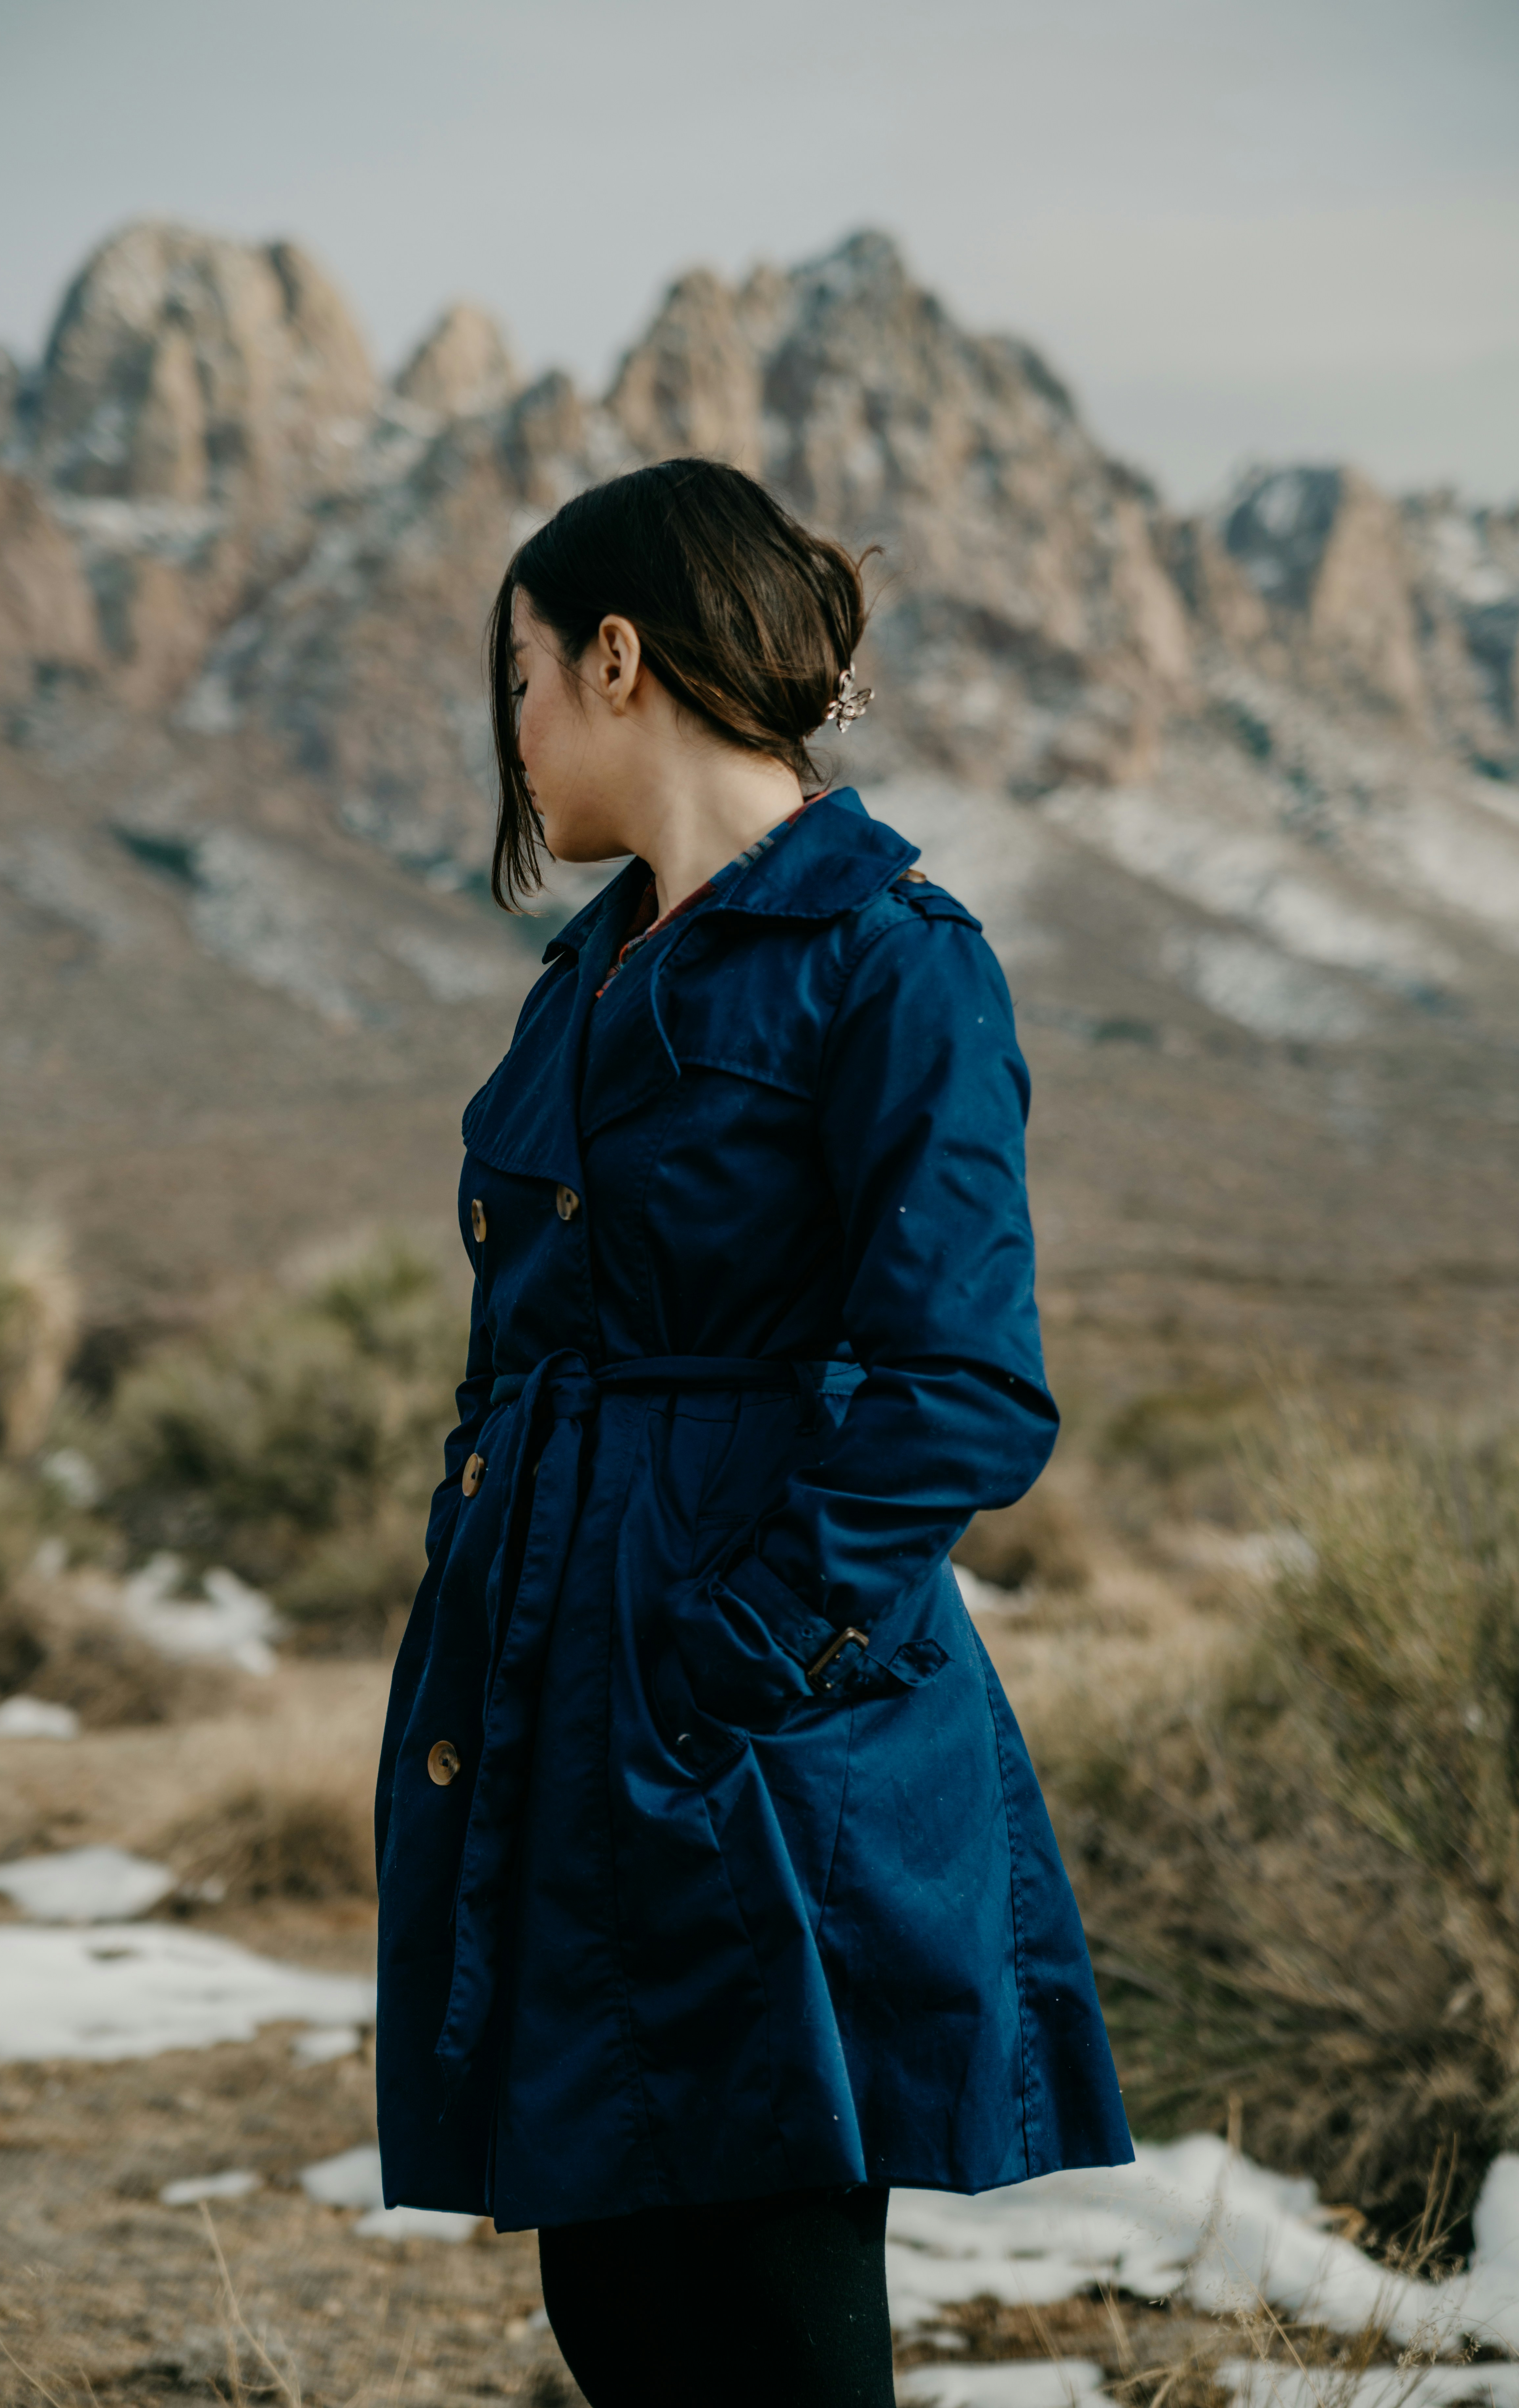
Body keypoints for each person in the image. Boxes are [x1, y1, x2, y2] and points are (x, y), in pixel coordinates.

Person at [373, 458, 1132, 2408]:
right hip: (558, 1696)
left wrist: (729, 1664)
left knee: (774, 2325)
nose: (514, 744)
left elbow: (962, 1384)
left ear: (617, 661)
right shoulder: (585, 984)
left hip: (755, 1732)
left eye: (521, 686)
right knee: (618, 2307)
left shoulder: (893, 961)